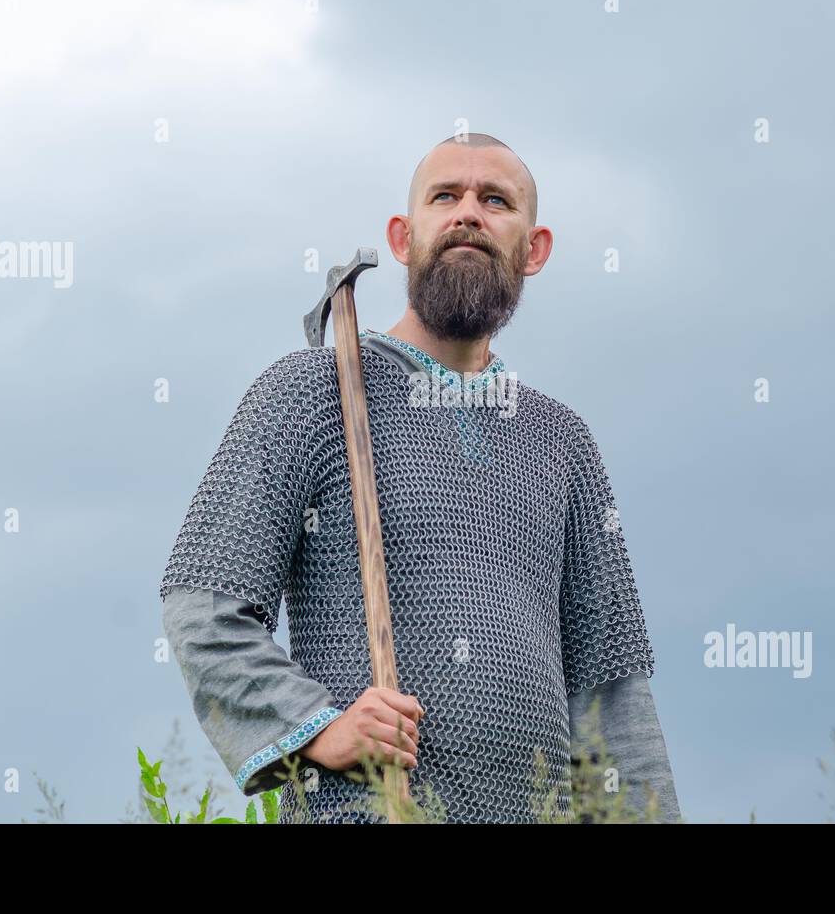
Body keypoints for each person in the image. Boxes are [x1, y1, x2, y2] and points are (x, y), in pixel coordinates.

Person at [160, 133, 681, 823]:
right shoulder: (313, 394)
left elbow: (613, 700)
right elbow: (205, 604)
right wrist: (319, 726)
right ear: (403, 238)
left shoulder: (562, 442)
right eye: (446, 196)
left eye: (495, 199)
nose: (468, 212)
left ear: (535, 248)